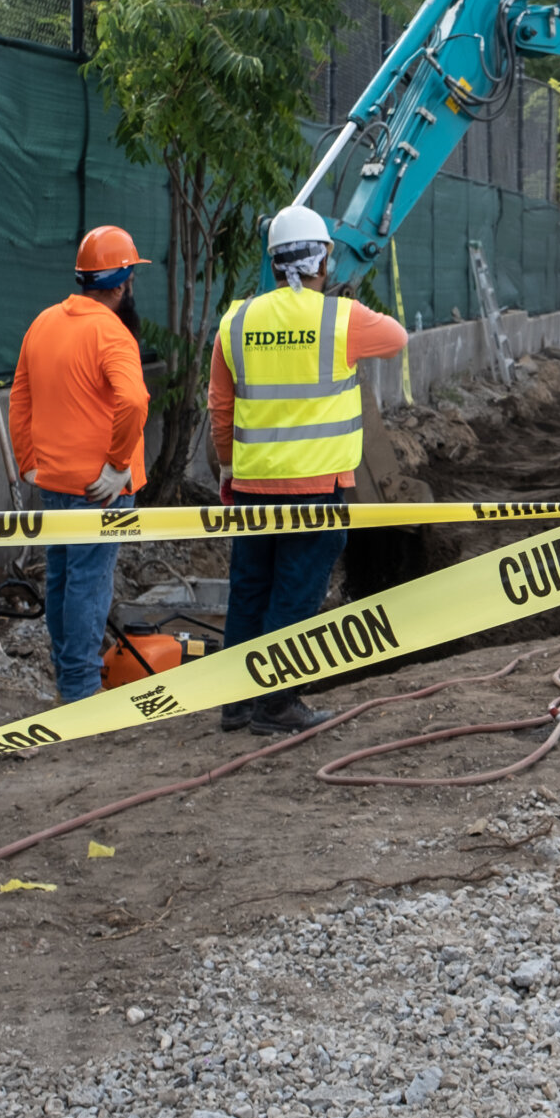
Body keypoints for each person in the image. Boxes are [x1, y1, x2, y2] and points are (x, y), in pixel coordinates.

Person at [211, 204, 408, 736]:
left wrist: (227, 468)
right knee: (295, 594)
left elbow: (221, 406)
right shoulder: (340, 319)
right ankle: (276, 704)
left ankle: (236, 702)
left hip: (252, 486)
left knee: (250, 588)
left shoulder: (237, 320)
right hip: (316, 488)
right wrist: (344, 301)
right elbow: (396, 339)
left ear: (273, 261)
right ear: (323, 257)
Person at [9, 225, 152, 704]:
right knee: (89, 584)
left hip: (55, 480)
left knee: (64, 577)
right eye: (130, 277)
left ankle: (67, 677)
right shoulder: (112, 331)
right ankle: (82, 690)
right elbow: (134, 400)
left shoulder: (44, 322)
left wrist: (28, 460)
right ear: (120, 283)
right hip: (102, 487)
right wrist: (116, 465)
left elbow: (20, 396)